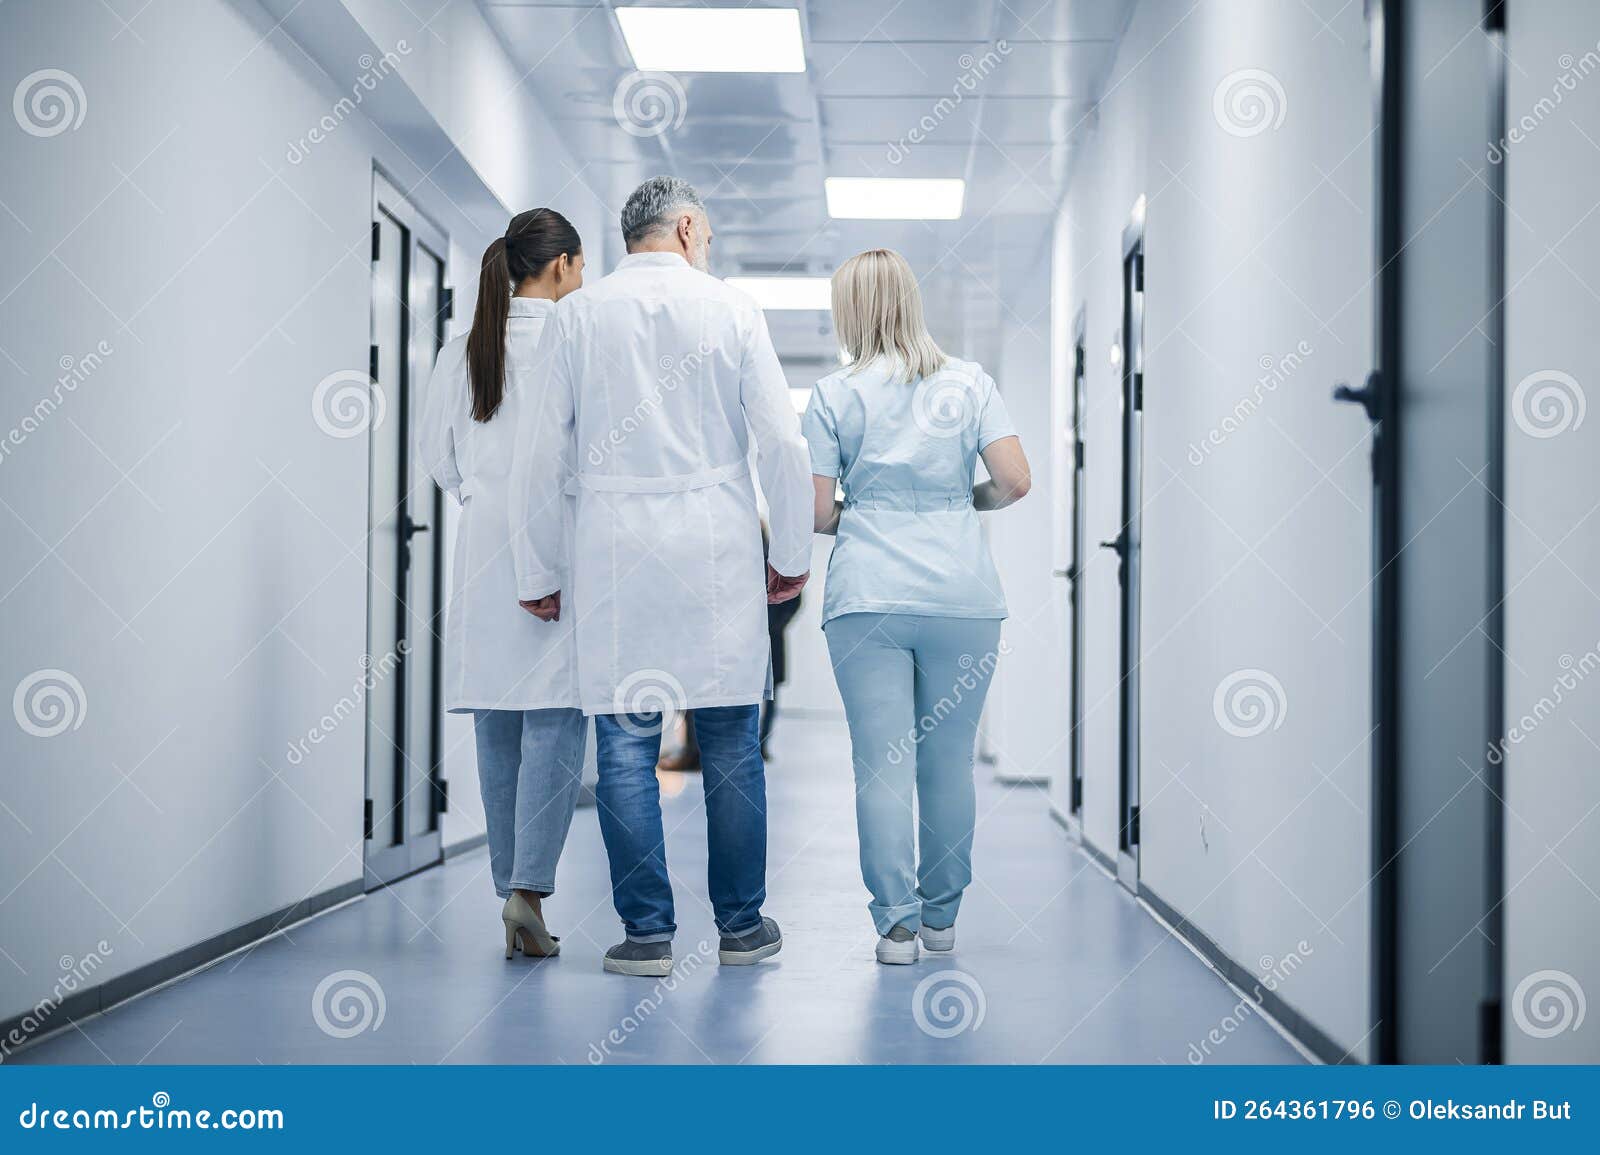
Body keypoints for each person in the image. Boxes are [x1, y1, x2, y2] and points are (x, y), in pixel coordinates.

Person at [509, 176, 812, 977]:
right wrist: (790, 556)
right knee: (732, 747)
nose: (706, 248)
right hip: (715, 546)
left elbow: (539, 455)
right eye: (705, 234)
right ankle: (742, 929)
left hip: (613, 548)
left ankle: (646, 935)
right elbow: (782, 443)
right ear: (684, 229)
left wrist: (537, 566)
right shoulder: (731, 310)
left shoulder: (577, 316)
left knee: (624, 748)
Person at [802, 248, 1032, 965]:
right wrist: (960, 502)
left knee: (880, 765)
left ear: (850, 312)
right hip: (961, 596)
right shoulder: (968, 382)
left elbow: (814, 510)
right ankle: (942, 920)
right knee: (947, 762)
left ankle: (895, 927)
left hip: (866, 597)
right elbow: (1016, 481)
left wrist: (870, 511)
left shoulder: (833, 394)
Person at [416, 208, 587, 962]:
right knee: (556, 720)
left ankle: (508, 893)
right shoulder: (579, 344)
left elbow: (437, 457)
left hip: (482, 545)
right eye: (580, 266)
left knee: (498, 725)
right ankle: (529, 890)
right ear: (559, 267)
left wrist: (478, 495)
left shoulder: (462, 351)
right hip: (560, 538)